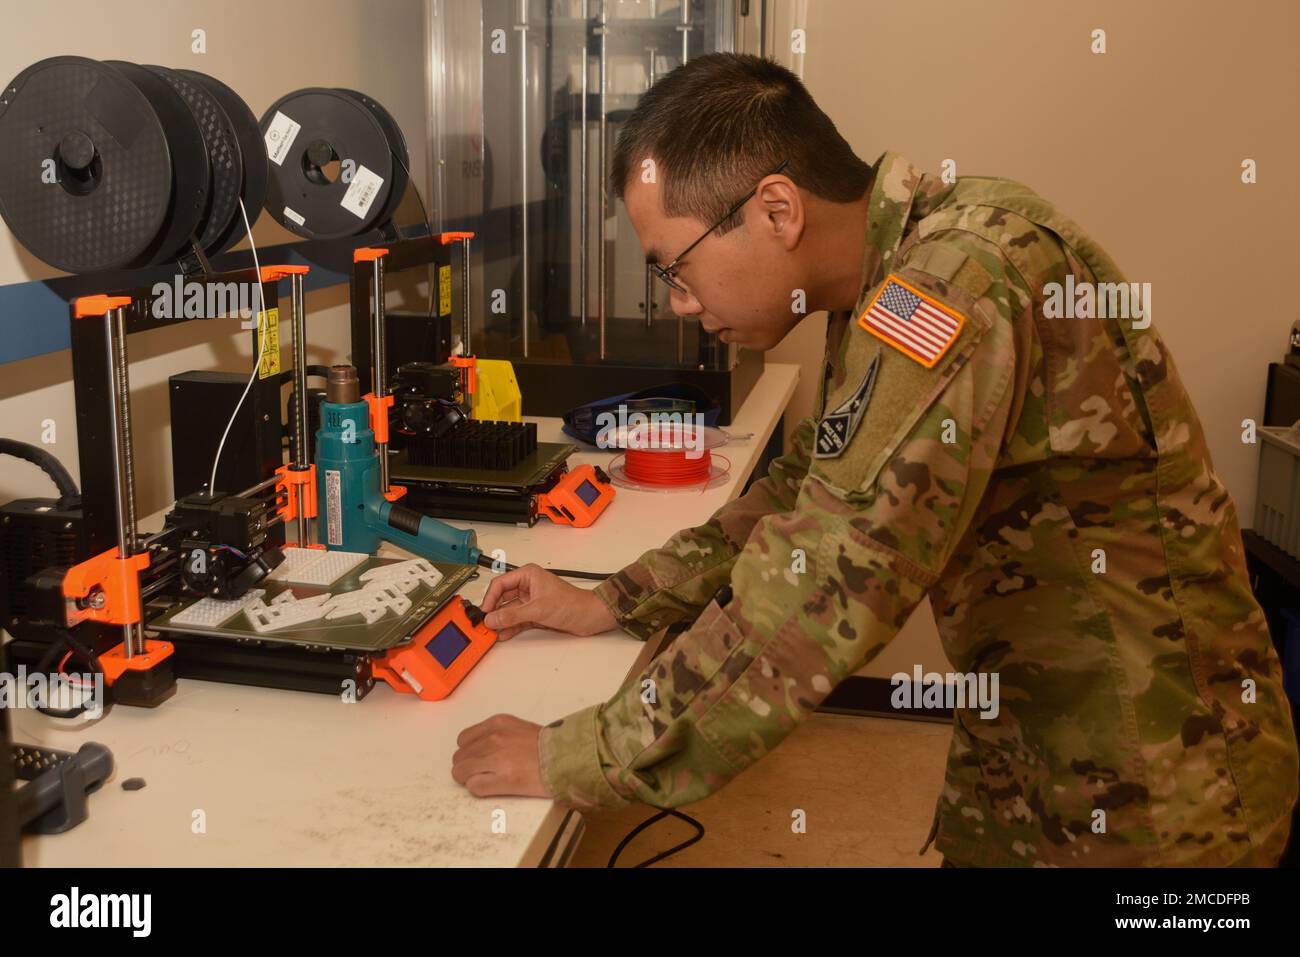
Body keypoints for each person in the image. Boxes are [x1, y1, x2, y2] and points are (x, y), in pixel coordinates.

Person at [451, 53, 1298, 866]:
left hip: (1154, 794)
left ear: (777, 211)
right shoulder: (894, 276)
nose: (678, 303)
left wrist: (583, 753)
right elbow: (809, 486)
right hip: (1036, 763)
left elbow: (828, 576)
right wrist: (618, 598)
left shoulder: (956, 280)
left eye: (674, 267)